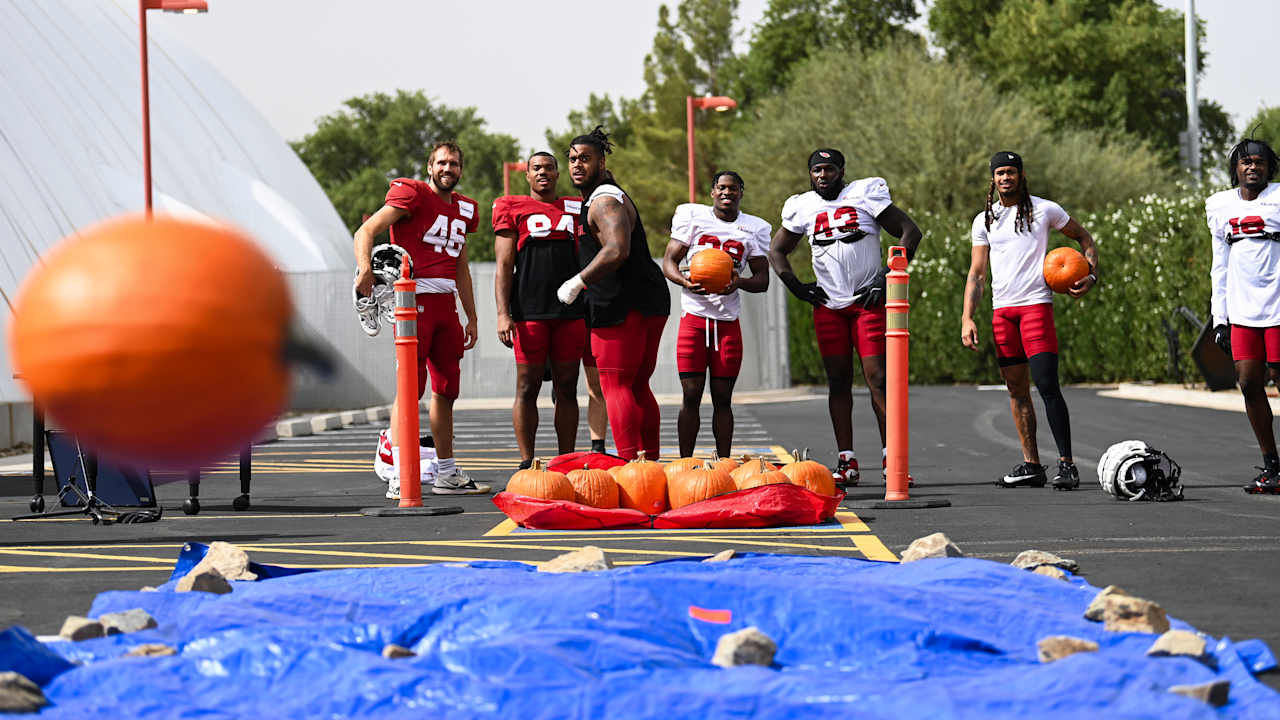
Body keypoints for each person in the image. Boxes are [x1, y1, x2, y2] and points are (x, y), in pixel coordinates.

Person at [769, 148, 922, 486]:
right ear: (810, 174)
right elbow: (777, 249)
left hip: (866, 302)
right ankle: (847, 461)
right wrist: (796, 286)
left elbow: (910, 232)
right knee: (838, 381)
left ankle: (892, 459)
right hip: (828, 306)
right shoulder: (802, 206)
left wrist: (886, 277)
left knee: (878, 378)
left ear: (842, 171)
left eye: (829, 169)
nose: (823, 176)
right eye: (817, 170)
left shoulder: (865, 194)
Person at [353, 141, 491, 496]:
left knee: (447, 391)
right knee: (409, 391)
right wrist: (366, 269)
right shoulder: (412, 194)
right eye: (442, 162)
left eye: (455, 163)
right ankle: (400, 472)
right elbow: (366, 231)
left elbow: (461, 267)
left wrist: (471, 315)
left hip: (445, 305)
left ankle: (445, 471)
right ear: (430, 166)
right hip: (413, 301)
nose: (449, 168)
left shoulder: (465, 208)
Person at [961, 151, 1098, 490]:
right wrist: (967, 317)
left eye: (1011, 172)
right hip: (1002, 312)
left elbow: (1086, 240)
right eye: (1000, 173)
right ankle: (1032, 465)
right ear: (993, 179)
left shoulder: (1046, 210)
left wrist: (1091, 275)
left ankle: (1067, 465)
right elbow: (977, 274)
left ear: (1021, 175)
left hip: (1036, 306)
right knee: (1016, 390)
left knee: (1047, 385)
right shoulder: (985, 220)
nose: (1005, 178)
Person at [557, 127, 669, 460]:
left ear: (602, 162)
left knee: (615, 386)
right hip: (647, 297)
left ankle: (629, 467)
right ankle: (649, 464)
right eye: (573, 159)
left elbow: (617, 249)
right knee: (636, 386)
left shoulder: (604, 200)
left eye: (586, 159)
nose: (578, 165)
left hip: (621, 304)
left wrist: (577, 282)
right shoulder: (608, 194)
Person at [662, 170, 771, 458]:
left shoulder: (753, 228)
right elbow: (669, 261)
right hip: (694, 321)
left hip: (727, 323)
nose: (726, 193)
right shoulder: (694, 219)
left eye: (733, 188)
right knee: (691, 396)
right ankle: (685, 463)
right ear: (712, 192)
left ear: (741, 193)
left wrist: (739, 283)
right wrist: (685, 282)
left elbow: (763, 279)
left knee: (723, 398)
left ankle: (724, 462)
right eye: (721, 188)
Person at [493, 152, 586, 469]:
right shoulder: (510, 207)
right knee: (526, 385)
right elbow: (505, 264)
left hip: (570, 310)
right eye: (536, 168)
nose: (543, 172)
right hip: (529, 309)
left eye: (548, 167)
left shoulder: (575, 206)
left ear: (558, 173)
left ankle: (566, 459)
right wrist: (503, 313)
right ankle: (527, 460)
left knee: (567, 387)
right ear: (527, 176)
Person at [1206, 136, 1280, 494]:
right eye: (1246, 162)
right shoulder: (1220, 206)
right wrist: (1219, 317)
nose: (1253, 167)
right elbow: (1218, 266)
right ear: (1236, 168)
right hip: (1242, 312)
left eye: (1260, 162)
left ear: (1270, 167)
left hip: (1279, 308)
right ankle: (1272, 467)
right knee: (1249, 383)